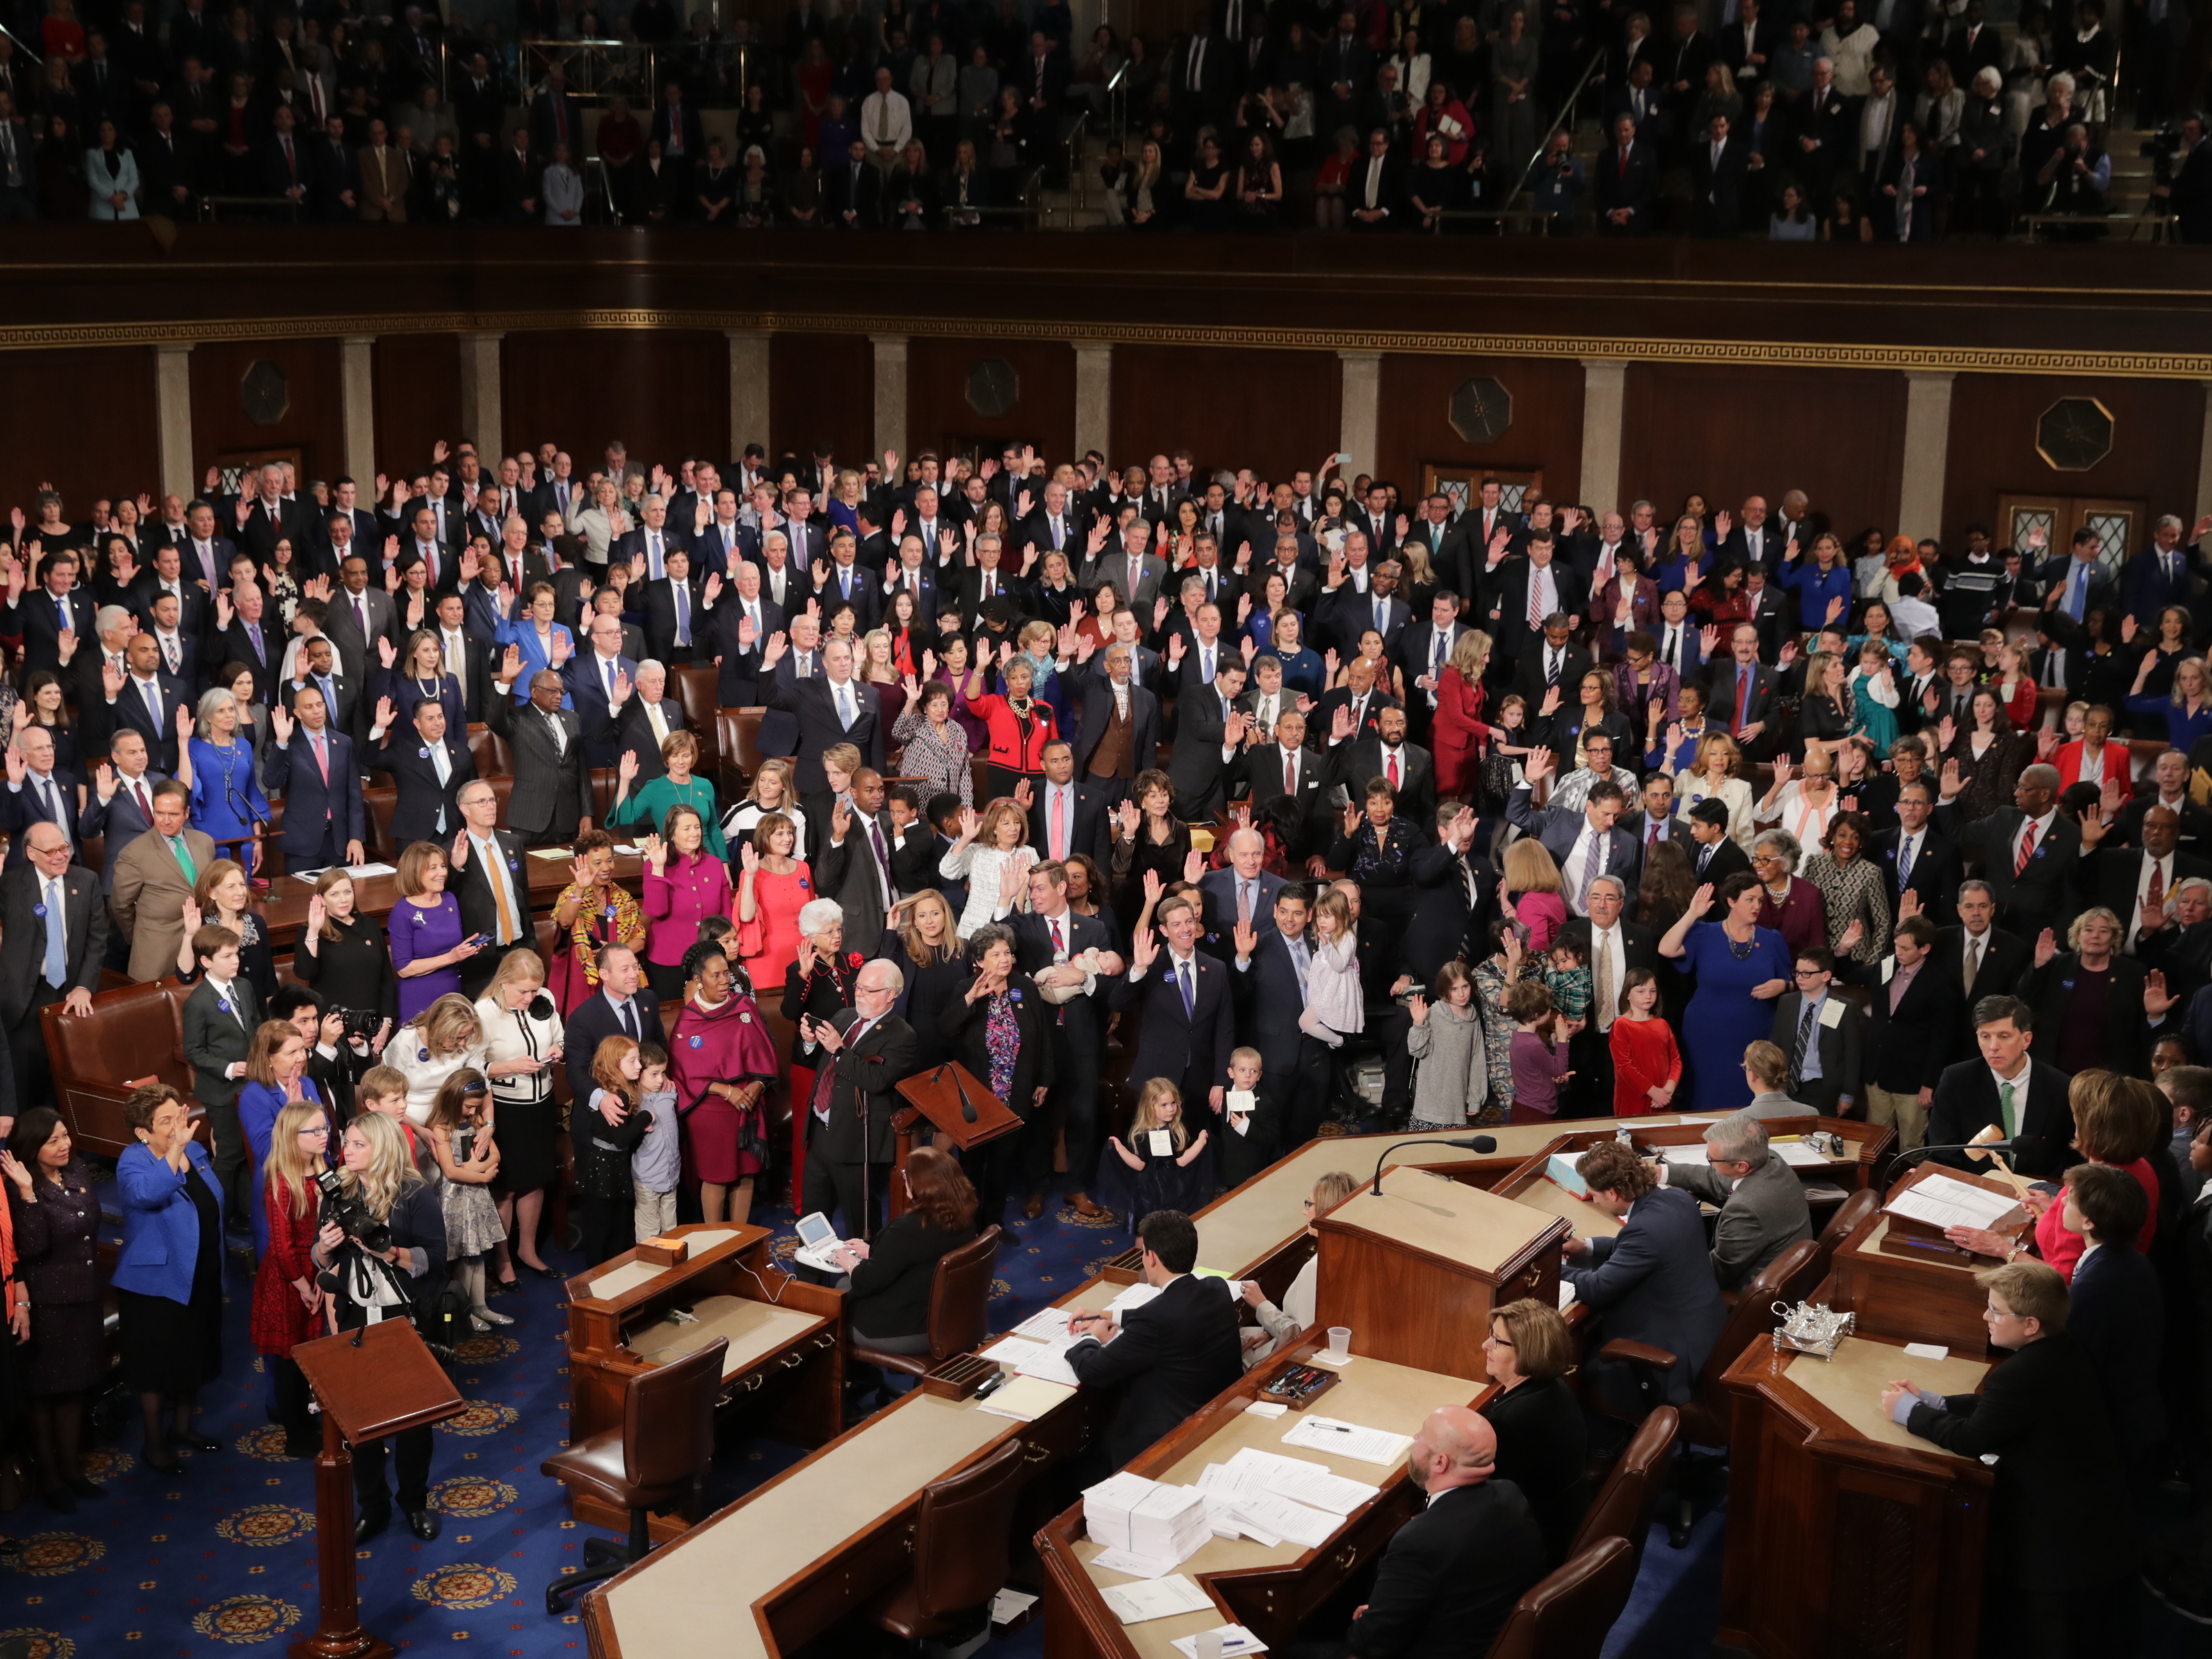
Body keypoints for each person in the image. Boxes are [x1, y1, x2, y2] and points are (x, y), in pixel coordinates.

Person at [1882, 1262, 2138, 1658]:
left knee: (2052, 1638)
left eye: (1996, 1311)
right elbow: (2002, 1408)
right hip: (2094, 1517)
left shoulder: (2019, 1372)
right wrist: (1935, 1401)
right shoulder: (2059, 1349)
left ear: (2030, 1324)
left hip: (2059, 1539)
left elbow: (1972, 1438)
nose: (1986, 1316)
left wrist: (1908, 1412)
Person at [1282, 1406, 1545, 1659]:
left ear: (1440, 1463)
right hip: (1486, 1631)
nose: (1415, 1438)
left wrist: (1374, 1617)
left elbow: (1370, 1645)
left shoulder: (1419, 1541)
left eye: (1422, 1436)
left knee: (1289, 1650)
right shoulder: (1511, 1494)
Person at [311, 1112, 448, 1543]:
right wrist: (324, 1248)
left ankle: (414, 1502)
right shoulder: (336, 1193)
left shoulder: (415, 1194)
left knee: (413, 1423)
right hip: (355, 1318)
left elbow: (437, 1259)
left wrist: (391, 1253)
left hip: (404, 1319)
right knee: (359, 1424)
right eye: (346, 1143)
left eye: (356, 1144)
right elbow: (321, 1261)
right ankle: (373, 1506)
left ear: (381, 1147)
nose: (344, 1151)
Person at [1064, 1209, 1243, 1469]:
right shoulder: (1216, 1288)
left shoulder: (1156, 1319)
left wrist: (1090, 1338)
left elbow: (1092, 1370)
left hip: (1162, 1438)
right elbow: (1173, 1313)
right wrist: (1106, 1314)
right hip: (1217, 1416)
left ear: (1152, 1258)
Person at [1561, 1139, 1729, 1416]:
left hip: (1671, 1357)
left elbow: (1596, 1289)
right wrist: (1586, 1246)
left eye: (1594, 1194)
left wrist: (1552, 1266)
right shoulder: (1677, 1198)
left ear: (1613, 1193)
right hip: (1703, 1332)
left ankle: (1608, 1444)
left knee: (1575, 1371)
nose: (1593, 1199)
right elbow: (1635, 1247)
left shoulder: (1645, 1232)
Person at [113, 1082, 224, 1473]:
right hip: (156, 1284)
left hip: (200, 1273)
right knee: (156, 1367)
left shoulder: (195, 1149)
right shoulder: (133, 1160)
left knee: (193, 1353)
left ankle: (182, 1429)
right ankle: (153, 1443)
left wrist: (182, 1146)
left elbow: (212, 1202)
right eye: (167, 1119)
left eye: (180, 1113)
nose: (180, 1122)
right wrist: (174, 1149)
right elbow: (146, 1195)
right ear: (143, 1131)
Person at [5, 1108, 105, 1503]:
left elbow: (89, 1221)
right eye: (53, 1140)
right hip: (48, 1303)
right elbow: (31, 1247)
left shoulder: (77, 1169)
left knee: (75, 1386)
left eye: (65, 1135)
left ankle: (71, 1468)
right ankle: (49, 1477)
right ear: (33, 1146)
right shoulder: (17, 1186)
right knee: (45, 1392)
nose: (64, 1145)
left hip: (85, 1294)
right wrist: (29, 1194)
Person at [795, 957, 914, 1240]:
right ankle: (809, 1280)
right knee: (812, 1218)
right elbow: (820, 1065)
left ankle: (861, 1278)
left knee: (859, 1223)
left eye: (868, 990)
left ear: (890, 995)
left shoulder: (902, 1036)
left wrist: (839, 1049)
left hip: (856, 1141)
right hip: (820, 1131)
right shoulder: (844, 1017)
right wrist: (810, 1043)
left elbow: (876, 1080)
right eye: (858, 986)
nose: (858, 994)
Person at [828, 1144, 979, 1365]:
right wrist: (874, 1252)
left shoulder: (909, 1228)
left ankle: (856, 1382)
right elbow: (920, 1256)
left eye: (908, 1174)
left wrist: (851, 1263)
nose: (905, 1178)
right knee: (844, 1287)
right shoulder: (963, 1215)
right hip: (950, 1318)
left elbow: (866, 1282)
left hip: (907, 1328)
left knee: (833, 1306)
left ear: (921, 1184)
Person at [1657, 872, 1792, 1110]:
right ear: (1732, 901)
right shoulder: (1704, 933)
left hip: (1754, 1037)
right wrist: (1692, 914)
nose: (1757, 906)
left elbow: (1795, 982)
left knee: (1748, 1104)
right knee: (1705, 1100)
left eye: (1760, 901)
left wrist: (1783, 985)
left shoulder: (1771, 939)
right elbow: (1666, 949)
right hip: (1706, 1037)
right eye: (1750, 899)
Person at [667, 939, 777, 1226]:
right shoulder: (688, 1022)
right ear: (698, 980)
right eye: (715, 975)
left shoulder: (744, 1008)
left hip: (748, 1103)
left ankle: (740, 1236)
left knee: (745, 1172)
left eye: (726, 973)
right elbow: (683, 1076)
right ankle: (714, 1244)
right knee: (717, 1177)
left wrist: (757, 1087)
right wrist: (727, 1091)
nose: (724, 981)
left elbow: (764, 1055)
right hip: (710, 1109)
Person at [953, 923, 1053, 1233]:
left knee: (1002, 1163)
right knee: (972, 1165)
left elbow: (1042, 1036)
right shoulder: (966, 989)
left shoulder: (1024, 986)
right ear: (980, 961)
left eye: (1007, 952)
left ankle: (993, 1225)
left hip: (1015, 1090)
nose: (1004, 959)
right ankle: (967, 1227)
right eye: (996, 954)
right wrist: (969, 999)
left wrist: (1045, 1078)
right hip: (976, 1095)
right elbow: (945, 1031)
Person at [474, 948, 564, 1291]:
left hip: (541, 1102)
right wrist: (509, 1067)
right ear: (503, 983)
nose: (530, 997)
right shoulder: (484, 1013)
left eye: (534, 990)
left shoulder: (544, 999)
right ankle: (504, 1259)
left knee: (537, 1178)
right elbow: (471, 1067)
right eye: (522, 991)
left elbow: (558, 1034)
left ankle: (527, 1250)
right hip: (505, 1109)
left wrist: (558, 1049)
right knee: (507, 1186)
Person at [1478, 1299, 1590, 1567]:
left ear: (1527, 1351)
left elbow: (1483, 1506)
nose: (1486, 1345)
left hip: (1531, 1550)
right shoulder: (1555, 1389)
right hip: (1564, 1524)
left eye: (1497, 1340)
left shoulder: (1511, 1421)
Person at [249, 1099, 328, 1459]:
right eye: (314, 1130)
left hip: (316, 1272)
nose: (323, 1135)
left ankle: (306, 1422)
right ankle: (295, 1434)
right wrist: (303, 1286)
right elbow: (281, 1246)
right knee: (287, 1359)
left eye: (324, 1127)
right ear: (293, 1137)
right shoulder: (282, 1180)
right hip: (288, 1280)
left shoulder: (324, 1171)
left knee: (307, 1358)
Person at [1658, 1111, 1813, 1290]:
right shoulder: (1770, 1159)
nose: (1708, 1161)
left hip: (1746, 1295)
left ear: (1741, 1166)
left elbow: (1717, 1272)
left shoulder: (1745, 1209)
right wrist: (1660, 1172)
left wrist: (1664, 1261)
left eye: (1712, 1159)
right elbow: (1716, 1178)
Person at [1926, 995, 2077, 1179]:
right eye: (1985, 1037)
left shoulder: (2062, 1087)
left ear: (2026, 1040)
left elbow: (2072, 1156)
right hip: (1975, 1189)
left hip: (2039, 1192)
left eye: (2004, 1037)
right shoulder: (1956, 1080)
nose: (1993, 1047)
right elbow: (1943, 1154)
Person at [179, 922, 258, 1220]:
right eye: (227, 956)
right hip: (221, 1091)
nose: (235, 960)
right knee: (230, 1153)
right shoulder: (197, 1003)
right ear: (206, 962)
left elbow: (255, 1028)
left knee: (250, 1150)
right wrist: (228, 1068)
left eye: (236, 953)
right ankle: (218, 1216)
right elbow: (194, 1051)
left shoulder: (243, 987)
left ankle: (245, 1211)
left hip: (252, 1084)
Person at [1240, 1169, 1358, 1364]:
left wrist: (1261, 1304)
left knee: (1230, 1340)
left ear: (1325, 1211)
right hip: (1331, 1343)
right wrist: (1271, 1332)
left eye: (1309, 1204)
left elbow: (1301, 1337)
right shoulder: (1354, 1251)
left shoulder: (1316, 1268)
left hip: (1305, 1356)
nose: (1304, 1211)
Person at [424, 1068, 506, 1332]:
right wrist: (480, 1175)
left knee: (479, 1252)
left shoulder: (477, 1121)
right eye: (469, 1106)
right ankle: (464, 1311)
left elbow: (495, 1156)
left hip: (476, 1196)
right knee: (463, 1255)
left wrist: (478, 1169)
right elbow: (450, 1171)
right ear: (453, 1098)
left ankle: (481, 1306)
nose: (472, 1112)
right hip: (455, 1198)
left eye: (476, 1107)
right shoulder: (440, 1127)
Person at [237, 1016, 325, 1254]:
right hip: (281, 1197)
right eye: (292, 1053)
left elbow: (321, 1139)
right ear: (269, 1059)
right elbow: (268, 1155)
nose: (301, 1057)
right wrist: (291, 1114)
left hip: (314, 1189)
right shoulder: (254, 1096)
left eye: (302, 1050)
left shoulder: (306, 1084)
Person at [638, 808, 733, 1005]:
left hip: (709, 964)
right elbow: (656, 911)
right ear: (672, 834)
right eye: (687, 828)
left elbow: (725, 919)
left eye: (697, 827)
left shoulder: (715, 865)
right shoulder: (656, 865)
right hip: (668, 963)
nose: (694, 833)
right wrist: (657, 868)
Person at [548, 829, 646, 1014]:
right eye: (598, 863)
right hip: (585, 982)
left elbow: (639, 940)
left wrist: (613, 953)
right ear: (582, 864)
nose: (606, 868)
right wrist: (580, 890)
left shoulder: (623, 898)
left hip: (620, 982)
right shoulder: (571, 894)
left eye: (609, 860)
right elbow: (565, 923)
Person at [294, 867, 397, 1034]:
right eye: (335, 894)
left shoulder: (370, 925)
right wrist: (313, 931)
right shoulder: (311, 931)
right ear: (322, 899)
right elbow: (305, 971)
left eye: (348, 892)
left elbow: (386, 978)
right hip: (334, 1027)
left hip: (372, 1023)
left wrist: (386, 1021)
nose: (343, 900)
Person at [388, 839, 481, 1025]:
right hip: (420, 1000)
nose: (442, 873)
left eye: (443, 866)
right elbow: (404, 969)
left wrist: (467, 950)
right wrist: (452, 957)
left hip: (453, 993)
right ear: (415, 872)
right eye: (433, 868)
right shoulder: (402, 912)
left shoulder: (449, 900)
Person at [1767, 944, 1862, 1116]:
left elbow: (1852, 1054)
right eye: (1797, 972)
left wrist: (1847, 1095)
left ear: (1825, 975)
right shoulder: (1787, 1002)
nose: (1800, 978)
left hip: (1825, 1089)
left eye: (1807, 973)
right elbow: (1776, 1044)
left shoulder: (1844, 1007)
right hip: (1789, 1086)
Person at [386, 992, 489, 1125]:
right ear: (438, 1029)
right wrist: (421, 1131)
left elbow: (484, 1086)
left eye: (466, 1036)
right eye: (457, 1038)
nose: (463, 1043)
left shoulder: (466, 1041)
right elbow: (388, 1097)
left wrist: (489, 1124)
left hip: (448, 1121)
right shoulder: (405, 1042)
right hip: (406, 1122)